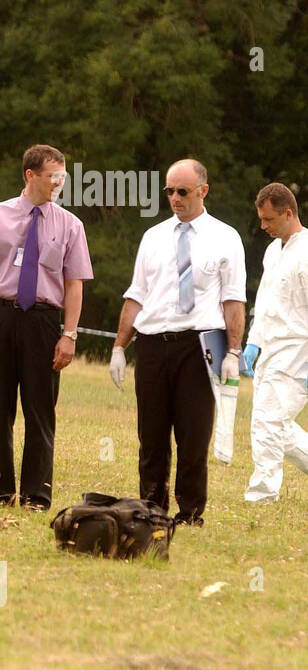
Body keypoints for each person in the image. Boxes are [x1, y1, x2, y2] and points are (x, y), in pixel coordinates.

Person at [108, 158, 245, 525]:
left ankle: (190, 512)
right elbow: (136, 294)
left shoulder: (225, 237)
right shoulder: (153, 237)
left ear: (203, 190)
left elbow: (233, 299)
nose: (174, 198)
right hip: (153, 344)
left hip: (200, 345)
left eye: (182, 191)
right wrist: (120, 346)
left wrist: (233, 351)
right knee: (151, 435)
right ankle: (152, 508)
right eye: (169, 190)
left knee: (193, 434)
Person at [0, 144, 93, 511]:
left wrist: (69, 334)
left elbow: (74, 284)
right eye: (52, 176)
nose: (58, 184)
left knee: (40, 411)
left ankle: (37, 495)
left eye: (62, 178)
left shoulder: (70, 225)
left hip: (43, 322)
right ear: (30, 175)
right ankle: (0, 491)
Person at [243, 183, 308, 502]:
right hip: (270, 351)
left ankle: (262, 494)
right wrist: (253, 342)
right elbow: (265, 301)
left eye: (269, 220)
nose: (263, 226)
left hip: (298, 356)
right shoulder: (273, 251)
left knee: (268, 423)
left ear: (288, 212)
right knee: (277, 427)